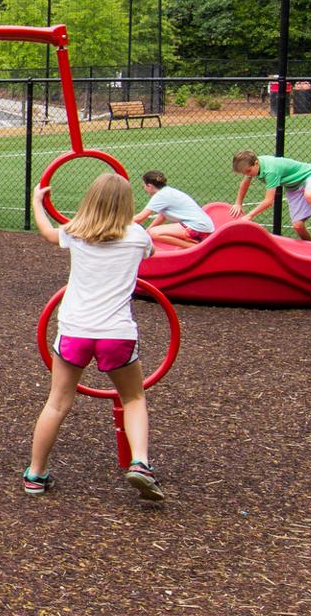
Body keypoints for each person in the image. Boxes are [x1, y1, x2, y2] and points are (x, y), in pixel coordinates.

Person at [24, 173, 164, 502]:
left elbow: (46, 233)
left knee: (57, 402)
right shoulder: (138, 235)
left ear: (90, 201)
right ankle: (140, 463)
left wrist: (37, 201)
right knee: (133, 398)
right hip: (116, 333)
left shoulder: (76, 232)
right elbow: (152, 253)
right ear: (128, 205)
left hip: (75, 330)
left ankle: (35, 474)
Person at [231, 150, 311, 246]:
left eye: (248, 171)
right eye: (244, 172)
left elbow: (269, 201)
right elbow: (245, 183)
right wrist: (238, 203)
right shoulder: (253, 166)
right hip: (293, 187)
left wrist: (249, 216)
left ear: (256, 163)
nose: (248, 174)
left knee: (310, 195)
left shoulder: (270, 170)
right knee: (298, 226)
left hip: (309, 175)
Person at [134, 170, 215, 248]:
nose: (144, 188)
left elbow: (140, 217)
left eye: (144, 185)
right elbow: (163, 216)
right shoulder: (168, 191)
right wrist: (147, 231)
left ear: (149, 186)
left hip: (197, 227)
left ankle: (194, 246)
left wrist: (121, 223)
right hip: (204, 227)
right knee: (182, 253)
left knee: (154, 233)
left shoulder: (161, 195)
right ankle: (192, 246)